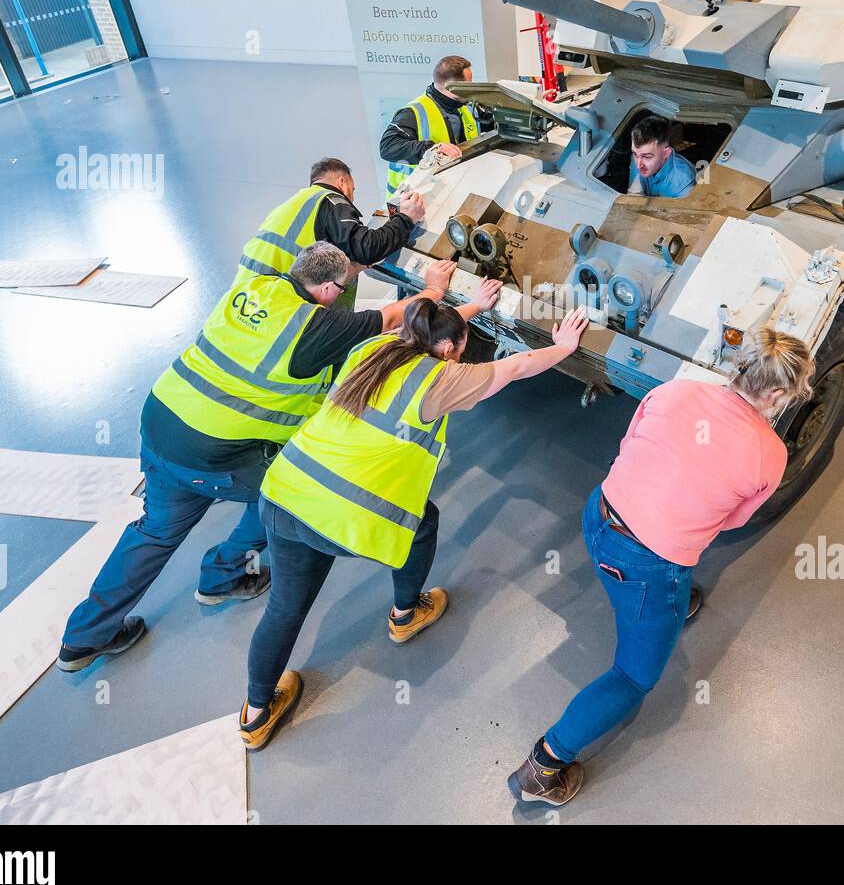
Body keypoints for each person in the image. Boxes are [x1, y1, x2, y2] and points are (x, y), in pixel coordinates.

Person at [57, 243, 457, 672]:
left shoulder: (256, 287)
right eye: (343, 286)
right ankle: (222, 575)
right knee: (284, 496)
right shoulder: (316, 328)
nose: (344, 295)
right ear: (327, 289)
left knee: (153, 532)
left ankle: (84, 638)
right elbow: (394, 318)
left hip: (161, 422)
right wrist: (433, 291)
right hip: (215, 455)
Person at [238, 297, 591, 750]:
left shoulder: (373, 349)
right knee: (422, 523)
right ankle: (406, 614)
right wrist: (562, 347)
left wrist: (471, 308)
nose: (461, 358)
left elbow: (424, 332)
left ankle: (256, 714)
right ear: (447, 351)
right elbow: (515, 368)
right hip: (345, 513)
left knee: (285, 608)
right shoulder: (442, 378)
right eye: (460, 350)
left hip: (287, 491)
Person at [507, 327, 815, 806]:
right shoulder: (769, 454)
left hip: (598, 514)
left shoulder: (673, 390)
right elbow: (729, 522)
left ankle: (665, 603)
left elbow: (629, 444)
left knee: (658, 585)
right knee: (633, 677)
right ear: (776, 393)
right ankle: (542, 768)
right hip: (646, 564)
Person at [235, 158, 426, 307]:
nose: (351, 198)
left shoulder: (294, 204)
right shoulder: (330, 199)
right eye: (352, 190)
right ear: (342, 182)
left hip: (248, 296)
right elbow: (366, 248)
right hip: (282, 299)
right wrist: (406, 218)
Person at [379, 54, 494, 198]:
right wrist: (432, 149)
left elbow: (492, 124)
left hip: (453, 190)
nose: (471, 88)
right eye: (468, 84)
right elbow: (387, 147)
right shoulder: (413, 113)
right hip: (412, 201)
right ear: (453, 88)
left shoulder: (466, 106)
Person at [628, 114, 697, 198]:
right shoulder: (638, 158)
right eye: (635, 154)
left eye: (647, 157)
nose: (638, 165)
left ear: (666, 153)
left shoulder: (684, 182)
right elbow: (632, 197)